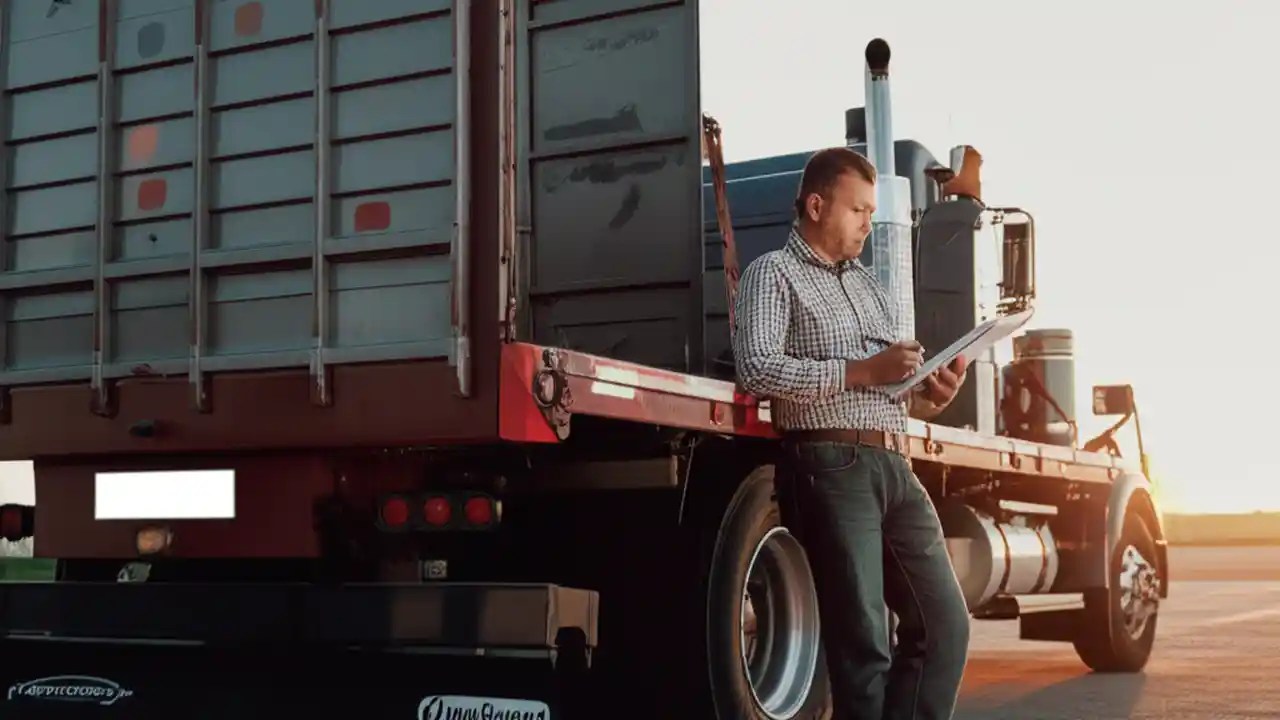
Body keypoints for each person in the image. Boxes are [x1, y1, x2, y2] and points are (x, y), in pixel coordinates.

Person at [732, 146, 971, 720]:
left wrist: (928, 394)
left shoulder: (872, 289)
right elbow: (757, 367)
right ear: (816, 205)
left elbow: (890, 390)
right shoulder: (774, 273)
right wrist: (862, 370)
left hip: (893, 465)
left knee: (945, 626)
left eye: (870, 210)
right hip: (830, 463)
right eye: (857, 209)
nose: (869, 221)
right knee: (863, 648)